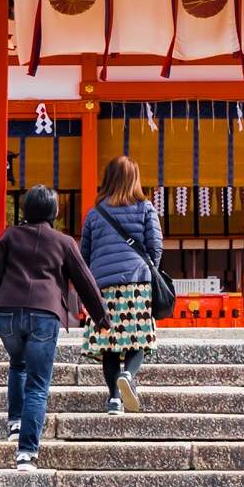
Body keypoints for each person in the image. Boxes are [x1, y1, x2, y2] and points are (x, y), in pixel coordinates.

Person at [0, 186, 108, 470]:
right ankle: (26, 453)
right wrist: (102, 320)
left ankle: (15, 423)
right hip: (44, 314)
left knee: (17, 365)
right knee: (37, 384)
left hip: (8, 313)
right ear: (54, 212)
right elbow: (86, 283)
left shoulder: (9, 236)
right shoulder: (64, 242)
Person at [81, 157, 163, 414]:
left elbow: (85, 254)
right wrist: (149, 272)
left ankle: (114, 399)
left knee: (109, 345)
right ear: (135, 179)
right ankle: (128, 374)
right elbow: (155, 247)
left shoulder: (95, 213)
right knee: (138, 340)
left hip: (102, 287)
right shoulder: (145, 208)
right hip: (137, 283)